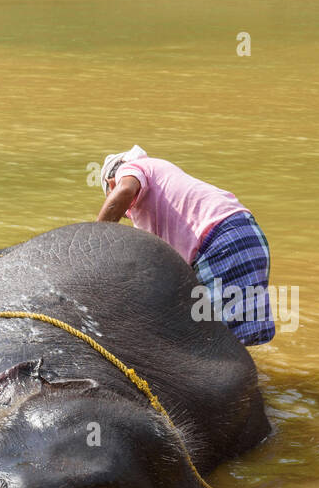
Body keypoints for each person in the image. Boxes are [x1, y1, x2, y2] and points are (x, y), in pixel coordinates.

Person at [96, 145, 275, 345]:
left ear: (112, 184)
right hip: (249, 237)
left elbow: (125, 190)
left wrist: (95, 240)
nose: (126, 215)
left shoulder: (131, 170)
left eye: (124, 212)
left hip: (218, 244)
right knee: (240, 337)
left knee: (214, 342)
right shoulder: (163, 182)